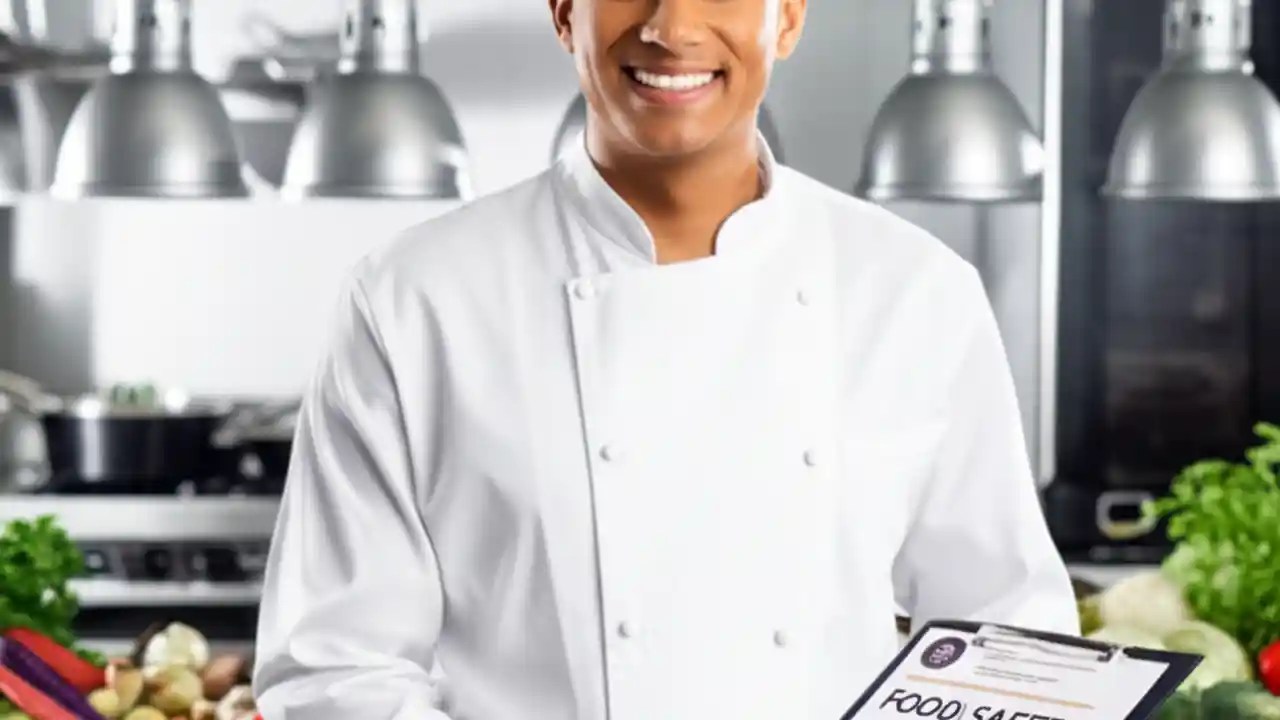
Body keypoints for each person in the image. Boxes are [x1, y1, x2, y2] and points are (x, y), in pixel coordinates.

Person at [252, 0, 1079, 717]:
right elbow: (336, 671)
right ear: (563, 11)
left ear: (788, 17)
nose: (671, 27)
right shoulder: (413, 299)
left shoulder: (914, 292)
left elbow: (1009, 640)